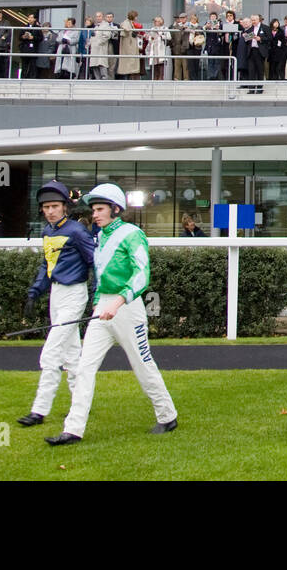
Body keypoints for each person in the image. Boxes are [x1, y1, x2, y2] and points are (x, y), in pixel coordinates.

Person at [46, 182, 178, 445]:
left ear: (115, 209)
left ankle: (167, 415)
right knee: (84, 367)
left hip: (127, 308)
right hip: (103, 310)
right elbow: (100, 275)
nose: (94, 214)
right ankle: (73, 429)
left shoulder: (132, 234)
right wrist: (98, 302)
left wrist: (116, 303)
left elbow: (142, 274)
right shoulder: (101, 237)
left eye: (99, 209)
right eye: (93, 210)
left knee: (142, 365)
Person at [17, 180, 96, 428]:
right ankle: (79, 405)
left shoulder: (77, 231)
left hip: (75, 294)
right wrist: (34, 292)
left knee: (51, 353)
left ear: (65, 207)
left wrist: (97, 295)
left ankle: (39, 411)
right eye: (46, 207)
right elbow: (46, 265)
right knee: (72, 355)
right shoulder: (46, 232)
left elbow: (96, 262)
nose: (50, 211)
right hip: (56, 295)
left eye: (54, 206)